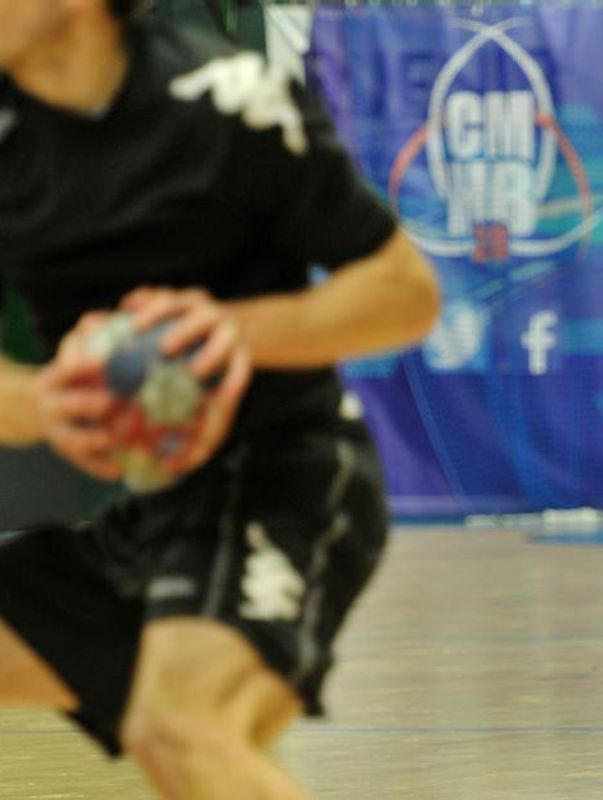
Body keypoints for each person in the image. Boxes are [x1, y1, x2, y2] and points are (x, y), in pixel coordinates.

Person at [0, 1, 440, 797]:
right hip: (154, 511)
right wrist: (37, 403)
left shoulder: (227, 99)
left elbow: (405, 293)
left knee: (180, 728)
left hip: (288, 479)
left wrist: (231, 332)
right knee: (192, 750)